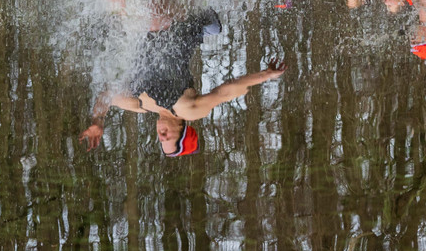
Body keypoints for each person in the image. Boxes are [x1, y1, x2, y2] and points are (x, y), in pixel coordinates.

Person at [79, 9, 285, 156]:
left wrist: (98, 120)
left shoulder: (139, 106)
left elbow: (106, 95)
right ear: (182, 129)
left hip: (147, 28)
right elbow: (226, 92)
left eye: (161, 139)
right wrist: (265, 75)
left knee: (119, 4)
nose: (162, 135)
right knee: (156, 15)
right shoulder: (187, 110)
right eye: (169, 137)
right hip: (181, 30)